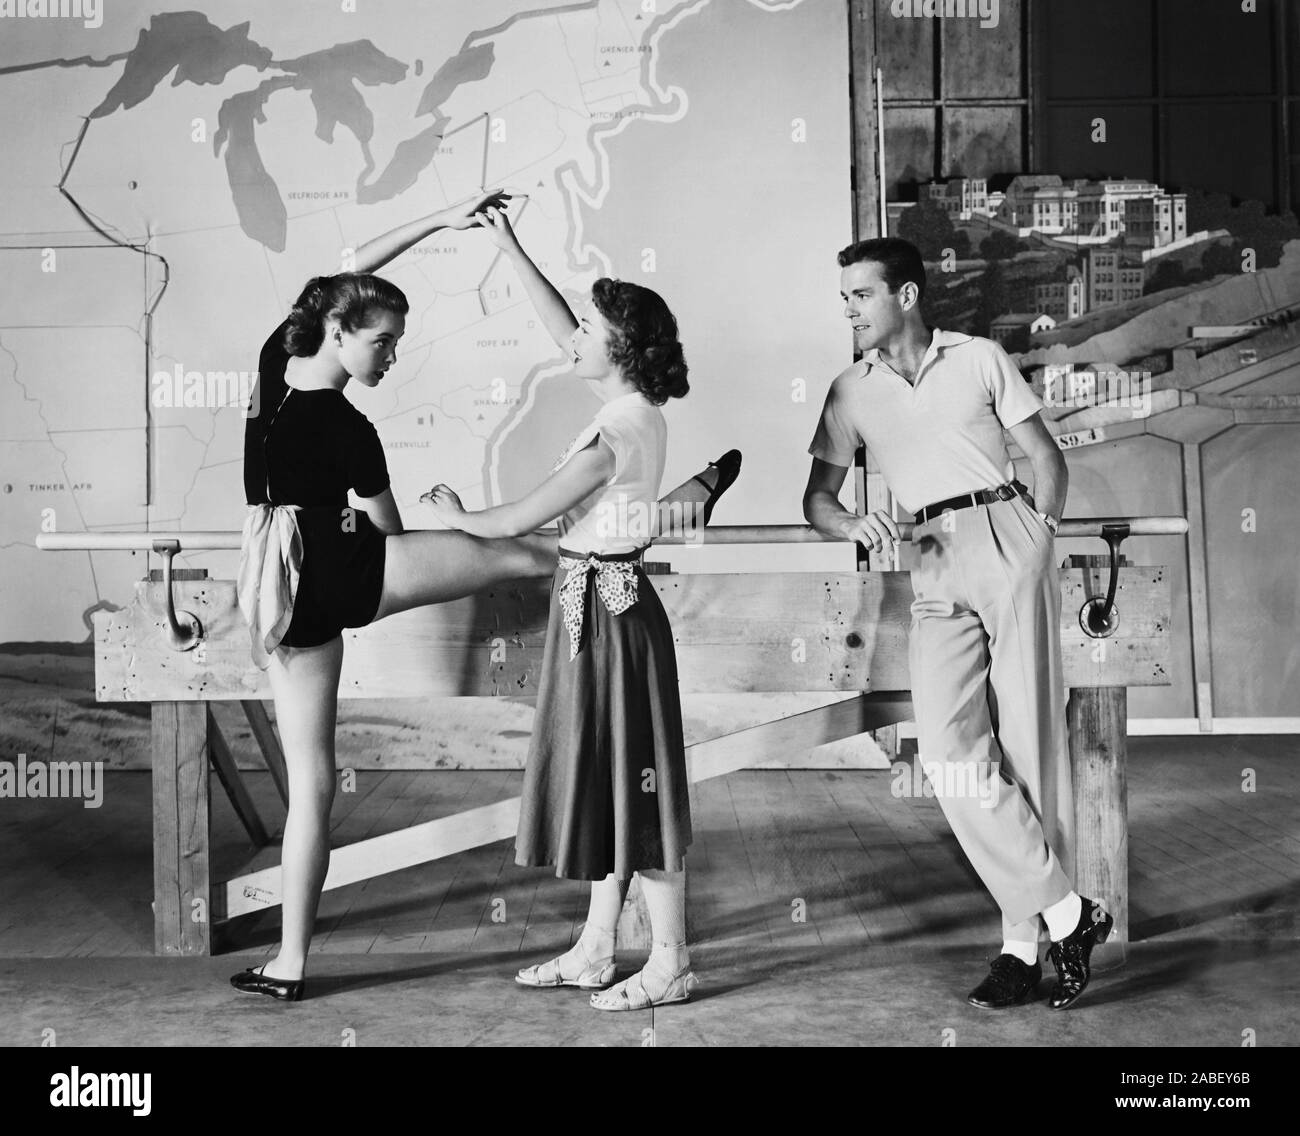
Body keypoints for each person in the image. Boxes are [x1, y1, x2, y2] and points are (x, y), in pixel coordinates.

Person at [231, 192, 737, 1002]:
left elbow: (347, 272)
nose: (392, 357)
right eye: (385, 343)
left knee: (313, 779)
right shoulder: (352, 430)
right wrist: (457, 525)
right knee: (512, 554)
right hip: (353, 569)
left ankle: (289, 962)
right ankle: (663, 517)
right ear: (341, 332)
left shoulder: (272, 365)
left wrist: (442, 223)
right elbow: (396, 531)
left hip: (274, 588)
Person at [425, 203, 737, 1011]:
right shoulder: (626, 409)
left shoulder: (615, 435)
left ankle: (669, 962)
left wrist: (460, 513)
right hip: (591, 609)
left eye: (589, 328)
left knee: (639, 787)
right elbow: (561, 325)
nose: (572, 337)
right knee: (606, 780)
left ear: (621, 349)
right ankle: (599, 947)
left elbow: (518, 517)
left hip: (613, 617)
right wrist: (509, 245)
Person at [802, 237, 1112, 1012]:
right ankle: (1072, 915)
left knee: (1030, 749)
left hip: (1007, 534)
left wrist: (1039, 535)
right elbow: (816, 499)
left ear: (905, 295)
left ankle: (1020, 949)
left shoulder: (977, 358)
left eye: (859, 295)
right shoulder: (849, 391)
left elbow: (1045, 456)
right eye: (843, 297)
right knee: (948, 754)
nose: (847, 309)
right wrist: (848, 525)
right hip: (931, 552)